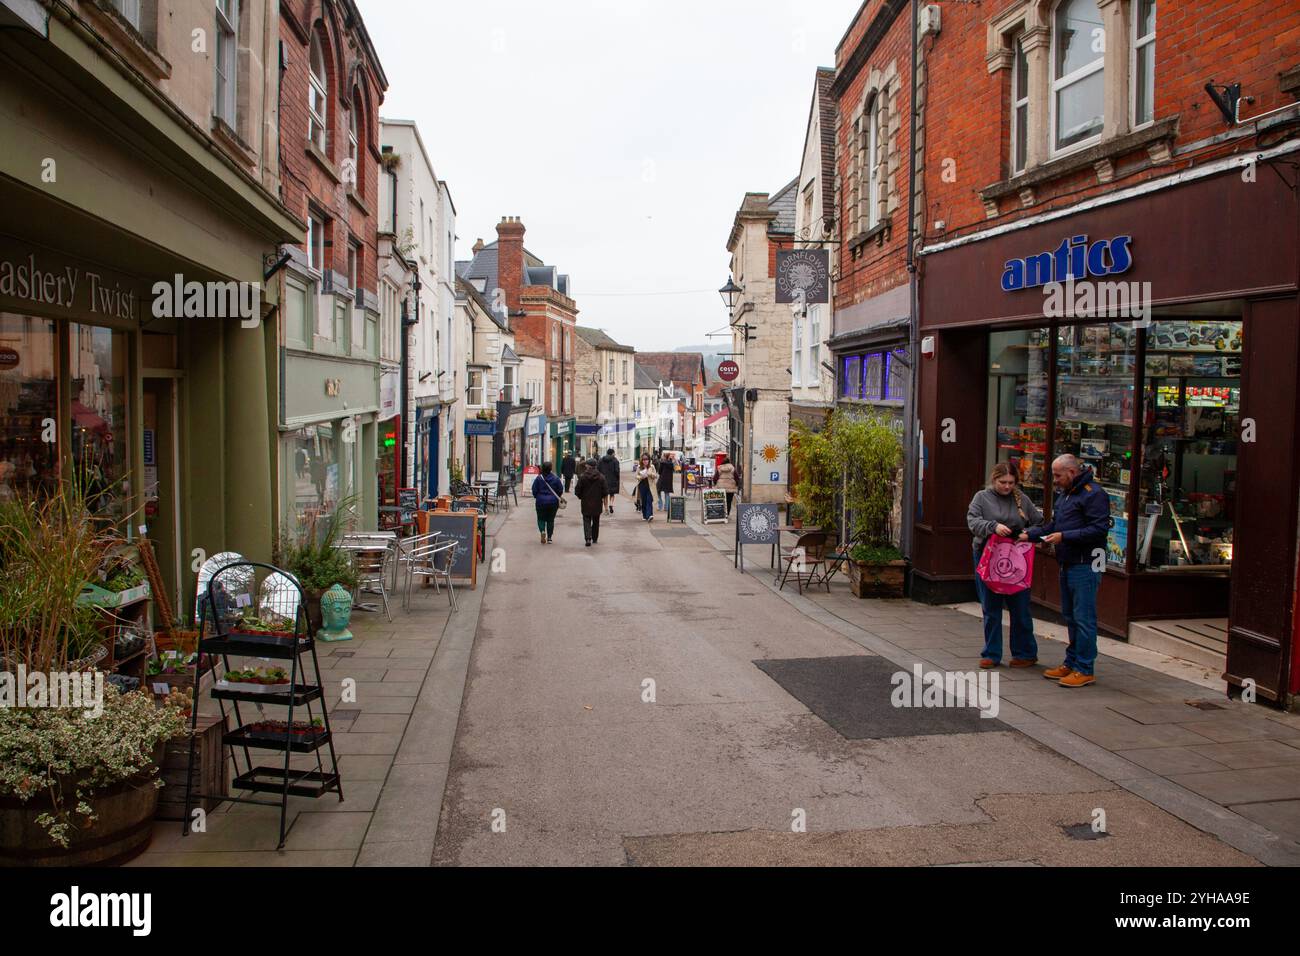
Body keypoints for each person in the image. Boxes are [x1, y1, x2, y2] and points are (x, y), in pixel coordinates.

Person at [1022, 454, 1111, 688]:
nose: (1055, 480)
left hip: (1087, 563)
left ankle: (1085, 668)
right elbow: (1055, 525)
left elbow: (1099, 530)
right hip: (1067, 561)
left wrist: (1065, 537)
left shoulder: (1094, 494)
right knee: (1071, 616)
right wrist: (1029, 535)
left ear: (1072, 472)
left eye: (1058, 475)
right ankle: (1071, 662)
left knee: (1084, 618)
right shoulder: (1067, 494)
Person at [967, 463, 1044, 670]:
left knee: (1020, 607)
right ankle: (992, 653)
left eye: (1011, 483)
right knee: (991, 607)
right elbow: (972, 522)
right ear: (994, 480)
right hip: (987, 555)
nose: (1007, 487)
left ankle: (1025, 653)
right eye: (1003, 483)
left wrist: (1026, 534)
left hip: (1016, 557)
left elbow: (1039, 523)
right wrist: (992, 527)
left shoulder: (1021, 499)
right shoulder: (981, 498)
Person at [531, 461, 565, 545]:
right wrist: (557, 496)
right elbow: (560, 489)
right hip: (553, 502)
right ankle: (549, 538)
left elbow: (534, 489)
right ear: (550, 468)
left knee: (541, 518)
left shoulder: (539, 478)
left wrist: (537, 496)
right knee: (550, 520)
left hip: (540, 502)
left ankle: (542, 531)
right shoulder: (556, 478)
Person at [574, 457, 606, 546]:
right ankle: (595, 538)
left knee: (586, 520)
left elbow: (577, 490)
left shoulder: (583, 477)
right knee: (596, 520)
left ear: (588, 466)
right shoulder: (601, 477)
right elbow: (605, 491)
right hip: (597, 502)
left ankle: (588, 538)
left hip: (586, 502)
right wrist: (601, 497)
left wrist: (581, 497)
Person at [598, 447, 621, 515]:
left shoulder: (601, 460)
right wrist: (617, 478)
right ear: (613, 453)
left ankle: (606, 509)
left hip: (603, 480)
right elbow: (617, 471)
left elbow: (598, 469)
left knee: (605, 495)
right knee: (612, 493)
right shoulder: (615, 460)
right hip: (613, 480)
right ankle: (611, 504)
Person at [633, 453, 656, 521]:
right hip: (642, 485)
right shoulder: (639, 467)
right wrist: (641, 477)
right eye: (643, 459)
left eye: (646, 459)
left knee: (649, 500)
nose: (645, 461)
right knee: (644, 501)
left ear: (649, 460)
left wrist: (650, 474)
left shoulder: (652, 467)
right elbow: (636, 476)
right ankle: (645, 515)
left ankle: (650, 515)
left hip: (650, 486)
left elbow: (655, 475)